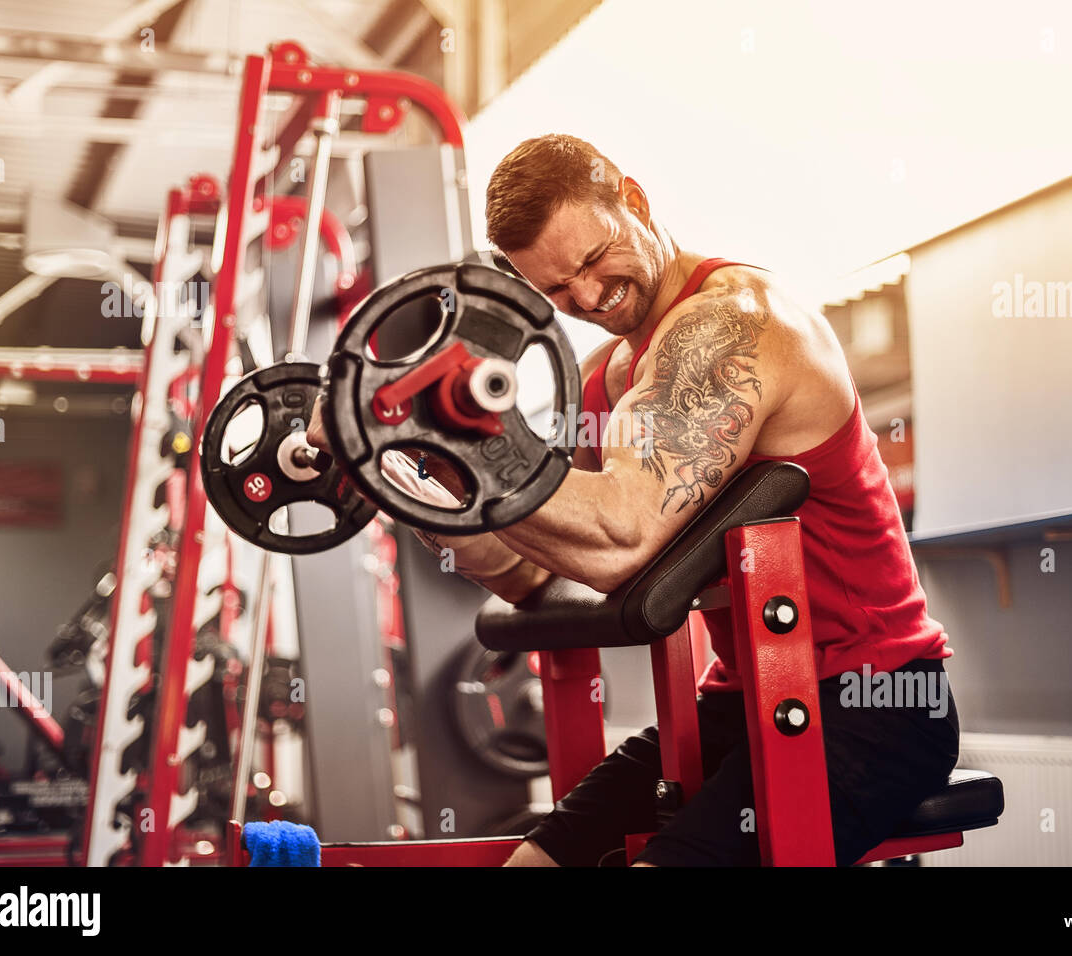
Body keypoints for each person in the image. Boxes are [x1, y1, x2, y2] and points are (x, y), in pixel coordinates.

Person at [308, 134, 958, 867]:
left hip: (876, 707)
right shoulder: (606, 378)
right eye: (556, 292)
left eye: (591, 260)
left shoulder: (737, 326)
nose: (586, 297)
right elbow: (531, 571)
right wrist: (391, 466)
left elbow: (620, 533)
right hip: (742, 707)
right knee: (533, 865)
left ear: (636, 202)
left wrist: (471, 454)